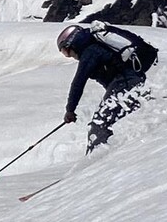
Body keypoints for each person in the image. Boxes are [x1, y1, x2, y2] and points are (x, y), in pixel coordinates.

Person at [57, 22, 154, 154]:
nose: (70, 56)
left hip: (124, 83)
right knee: (141, 108)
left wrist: (70, 110)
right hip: (133, 80)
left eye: (66, 51)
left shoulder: (90, 52)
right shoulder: (97, 47)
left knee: (99, 123)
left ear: (72, 44)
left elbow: (78, 82)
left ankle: (96, 159)